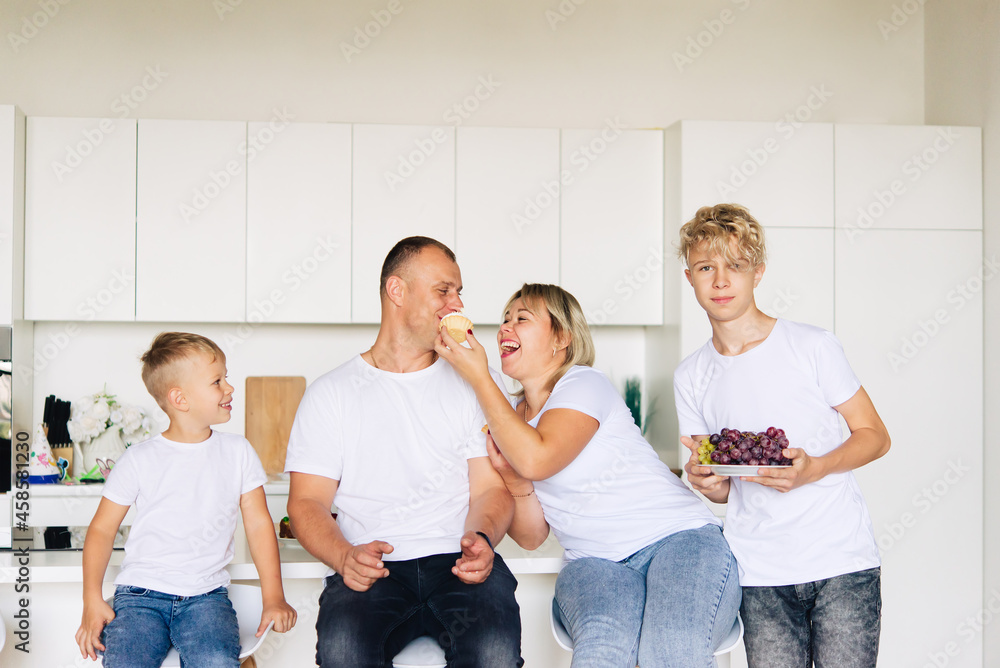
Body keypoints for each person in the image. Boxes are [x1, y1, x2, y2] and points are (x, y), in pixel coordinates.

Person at [437, 283, 741, 668]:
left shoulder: (582, 383)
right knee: (601, 653)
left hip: (678, 541)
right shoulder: (508, 417)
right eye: (505, 319)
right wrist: (514, 482)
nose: (505, 328)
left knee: (670, 649)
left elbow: (537, 458)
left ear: (561, 338)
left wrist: (480, 377)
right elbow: (531, 536)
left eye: (522, 319)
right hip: (593, 563)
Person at [285, 236, 523, 668]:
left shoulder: (476, 380)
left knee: (493, 653)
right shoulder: (331, 393)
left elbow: (492, 488)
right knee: (343, 653)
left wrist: (482, 539)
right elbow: (306, 503)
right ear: (397, 291)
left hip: (457, 562)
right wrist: (344, 557)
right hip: (373, 566)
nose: (457, 304)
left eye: (459, 292)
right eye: (443, 290)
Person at [674, 203, 891, 668]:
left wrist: (815, 469)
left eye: (735, 265)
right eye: (706, 267)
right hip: (759, 573)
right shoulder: (690, 375)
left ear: (758, 272)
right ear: (689, 276)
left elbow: (875, 435)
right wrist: (706, 481)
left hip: (841, 562)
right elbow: (723, 486)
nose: (720, 281)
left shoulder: (812, 346)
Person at [75, 332, 297, 667]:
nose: (230, 388)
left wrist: (274, 597)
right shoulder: (138, 459)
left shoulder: (238, 452)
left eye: (226, 378)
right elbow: (102, 530)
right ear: (180, 399)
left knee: (216, 660)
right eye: (217, 381)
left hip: (206, 599)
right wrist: (91, 598)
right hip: (139, 597)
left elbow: (258, 524)